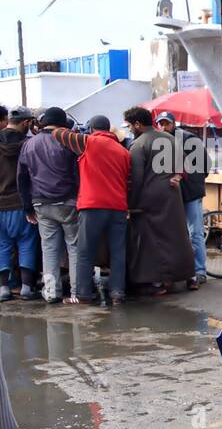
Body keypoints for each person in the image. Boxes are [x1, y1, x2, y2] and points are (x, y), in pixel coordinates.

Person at [49, 115, 131, 306]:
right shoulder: (123, 151)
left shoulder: (89, 142)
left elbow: (57, 133)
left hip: (93, 206)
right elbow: (128, 180)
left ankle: (83, 295)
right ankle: (117, 294)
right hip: (118, 206)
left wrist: (78, 131)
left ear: (92, 128)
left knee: (85, 251)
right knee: (118, 252)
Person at [122, 106, 193, 295]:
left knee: (153, 240)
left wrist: (131, 204)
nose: (129, 129)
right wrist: (178, 176)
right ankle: (180, 277)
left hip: (150, 199)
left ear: (137, 124)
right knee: (175, 237)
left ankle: (158, 283)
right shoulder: (170, 139)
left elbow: (135, 178)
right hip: (172, 195)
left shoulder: (138, 145)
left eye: (129, 125)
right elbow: (186, 163)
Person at [16, 106, 80, 304]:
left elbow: (22, 178)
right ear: (62, 123)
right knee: (75, 247)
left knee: (49, 248)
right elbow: (78, 173)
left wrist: (27, 207)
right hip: (69, 202)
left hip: (41, 204)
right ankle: (77, 292)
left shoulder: (29, 144)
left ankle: (52, 292)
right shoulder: (68, 141)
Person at [154, 111, 208, 288]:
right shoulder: (160, 142)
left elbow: (205, 165)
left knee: (195, 233)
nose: (163, 127)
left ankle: (199, 271)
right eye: (160, 123)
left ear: (173, 124)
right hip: (174, 194)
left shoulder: (189, 139)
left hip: (190, 193)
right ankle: (187, 272)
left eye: (166, 123)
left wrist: (191, 181)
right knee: (181, 233)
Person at [0, 106, 41, 302]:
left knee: (2, 246)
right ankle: (26, 288)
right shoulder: (29, 145)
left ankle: (3, 289)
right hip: (21, 203)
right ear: (26, 123)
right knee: (27, 243)